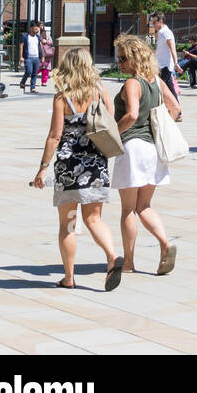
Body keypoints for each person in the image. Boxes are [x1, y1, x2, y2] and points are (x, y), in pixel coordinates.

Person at [31, 47, 122, 291]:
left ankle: (69, 277)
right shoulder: (100, 91)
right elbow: (109, 123)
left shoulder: (62, 97)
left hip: (69, 166)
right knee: (94, 218)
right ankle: (112, 255)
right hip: (96, 162)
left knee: (68, 223)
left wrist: (42, 169)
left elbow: (54, 135)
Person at [112, 35, 181, 276]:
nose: (119, 63)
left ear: (134, 58)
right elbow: (176, 108)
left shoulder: (133, 83)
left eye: (122, 58)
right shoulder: (157, 82)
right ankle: (165, 242)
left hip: (132, 147)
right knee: (145, 206)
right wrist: (159, 126)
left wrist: (111, 134)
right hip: (154, 149)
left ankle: (129, 262)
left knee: (128, 210)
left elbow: (131, 115)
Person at [151, 12, 182, 94]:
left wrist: (176, 63)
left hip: (165, 67)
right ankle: (173, 105)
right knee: (165, 91)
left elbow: (172, 48)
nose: (153, 24)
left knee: (165, 91)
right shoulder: (161, 32)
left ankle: (175, 106)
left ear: (160, 21)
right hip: (160, 66)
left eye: (154, 22)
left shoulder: (166, 32)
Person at [20, 21, 42, 93]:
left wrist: (42, 56)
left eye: (37, 29)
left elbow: (40, 47)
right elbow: (21, 46)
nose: (36, 31)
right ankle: (23, 82)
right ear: (31, 29)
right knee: (29, 71)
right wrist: (21, 56)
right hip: (28, 57)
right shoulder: (25, 36)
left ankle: (32, 87)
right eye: (35, 29)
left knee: (35, 73)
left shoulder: (38, 37)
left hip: (36, 57)